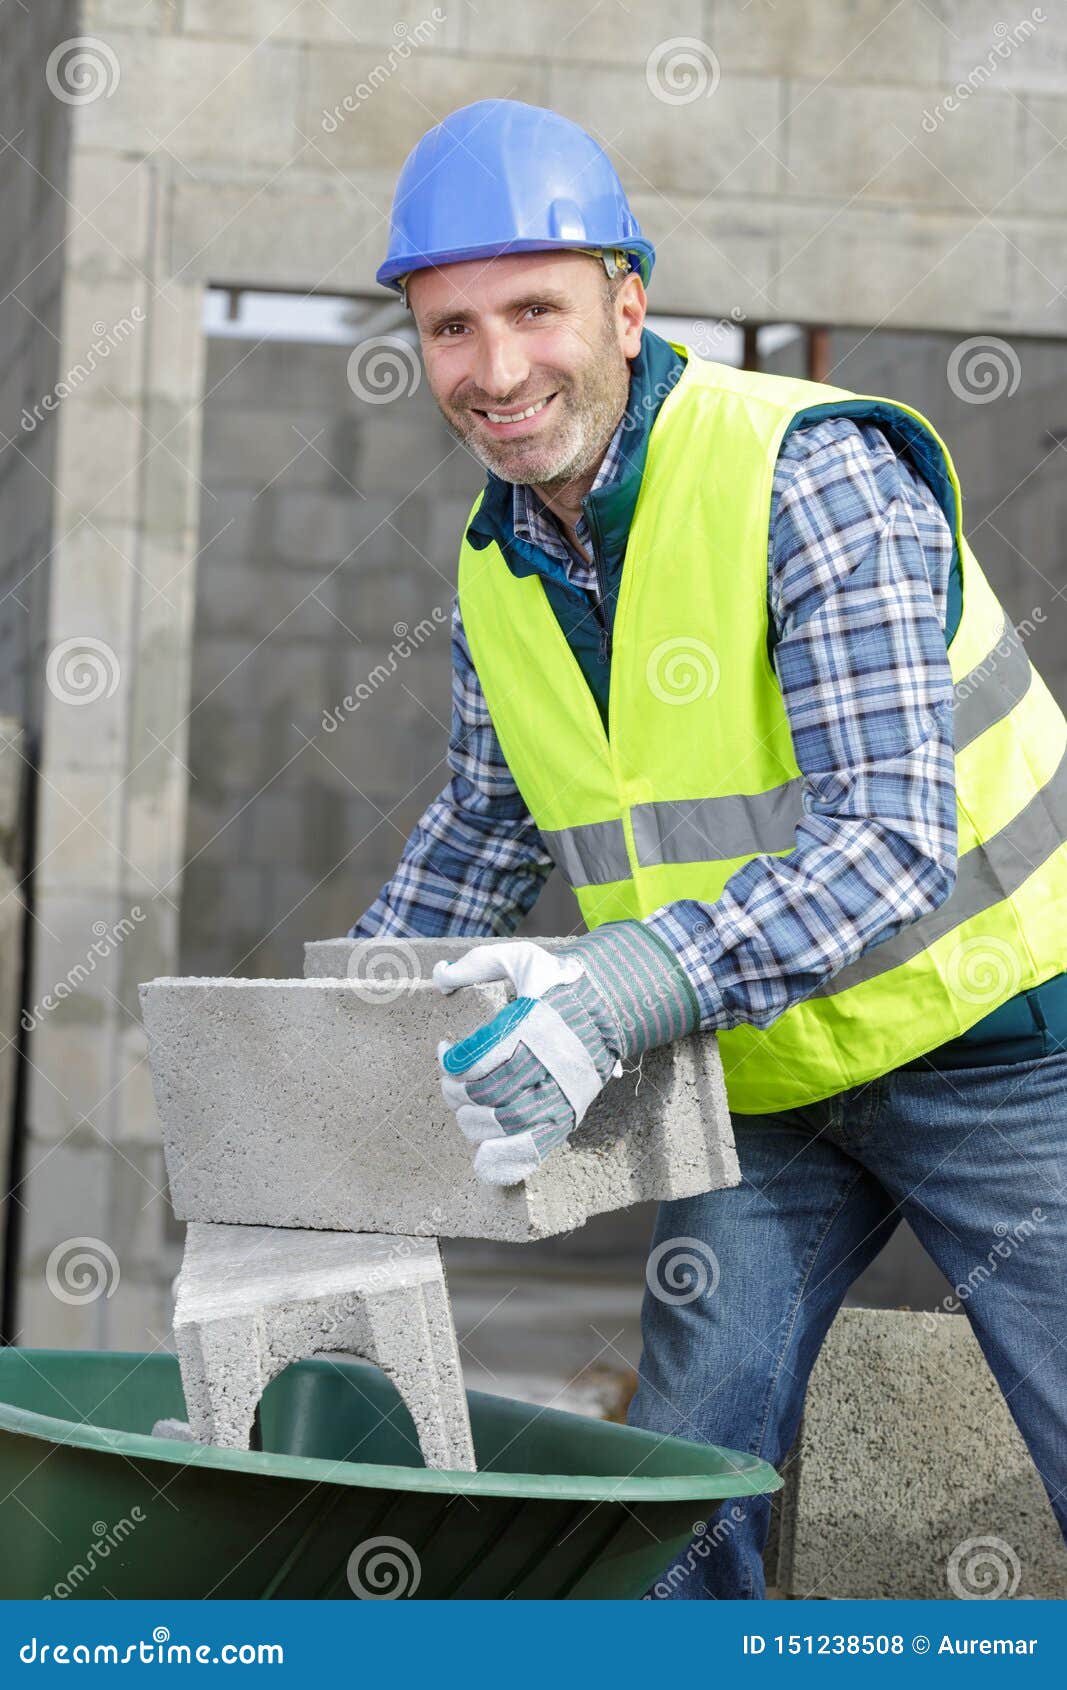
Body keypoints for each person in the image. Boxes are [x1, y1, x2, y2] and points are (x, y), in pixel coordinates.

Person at [351, 98, 1067, 1598]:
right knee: (673, 1500)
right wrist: (336, 1051)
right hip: (764, 1083)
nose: (495, 372)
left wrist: (612, 994)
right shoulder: (502, 566)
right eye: (449, 329)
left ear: (627, 304)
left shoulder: (801, 471)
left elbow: (887, 839)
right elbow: (485, 828)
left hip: (1008, 1049)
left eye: (535, 309)